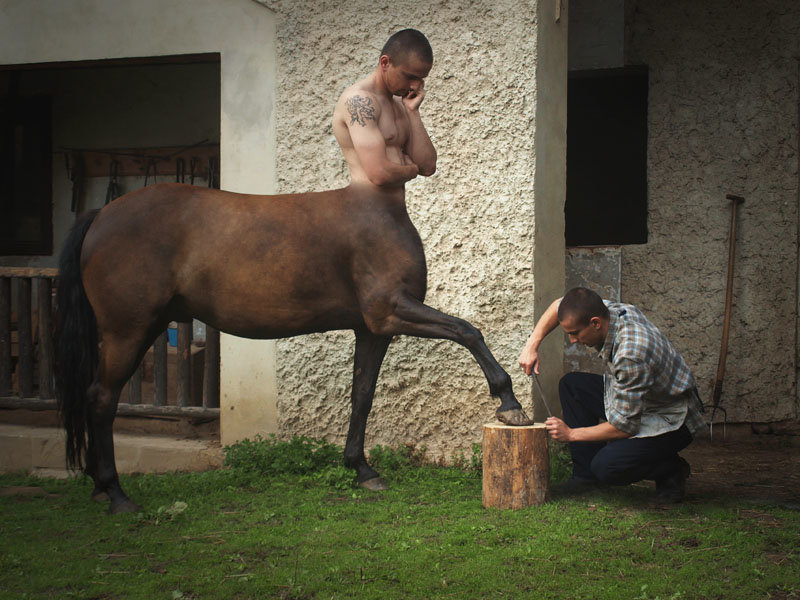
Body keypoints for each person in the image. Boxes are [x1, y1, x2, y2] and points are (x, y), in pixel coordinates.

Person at [518, 287, 705, 502]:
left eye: (575, 333)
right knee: (573, 386)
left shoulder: (631, 354)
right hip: (645, 399)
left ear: (595, 323)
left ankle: (670, 469)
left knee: (607, 466)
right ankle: (585, 478)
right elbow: (559, 305)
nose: (572, 340)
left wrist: (570, 434)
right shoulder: (608, 311)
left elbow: (624, 427)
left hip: (673, 418)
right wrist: (532, 345)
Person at [332, 29, 437, 190]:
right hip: (364, 204)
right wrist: (412, 170)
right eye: (410, 77)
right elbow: (379, 174)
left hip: (396, 206)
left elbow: (428, 167)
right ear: (385, 63)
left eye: (420, 79)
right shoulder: (359, 101)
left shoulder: (401, 103)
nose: (415, 86)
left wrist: (413, 112)